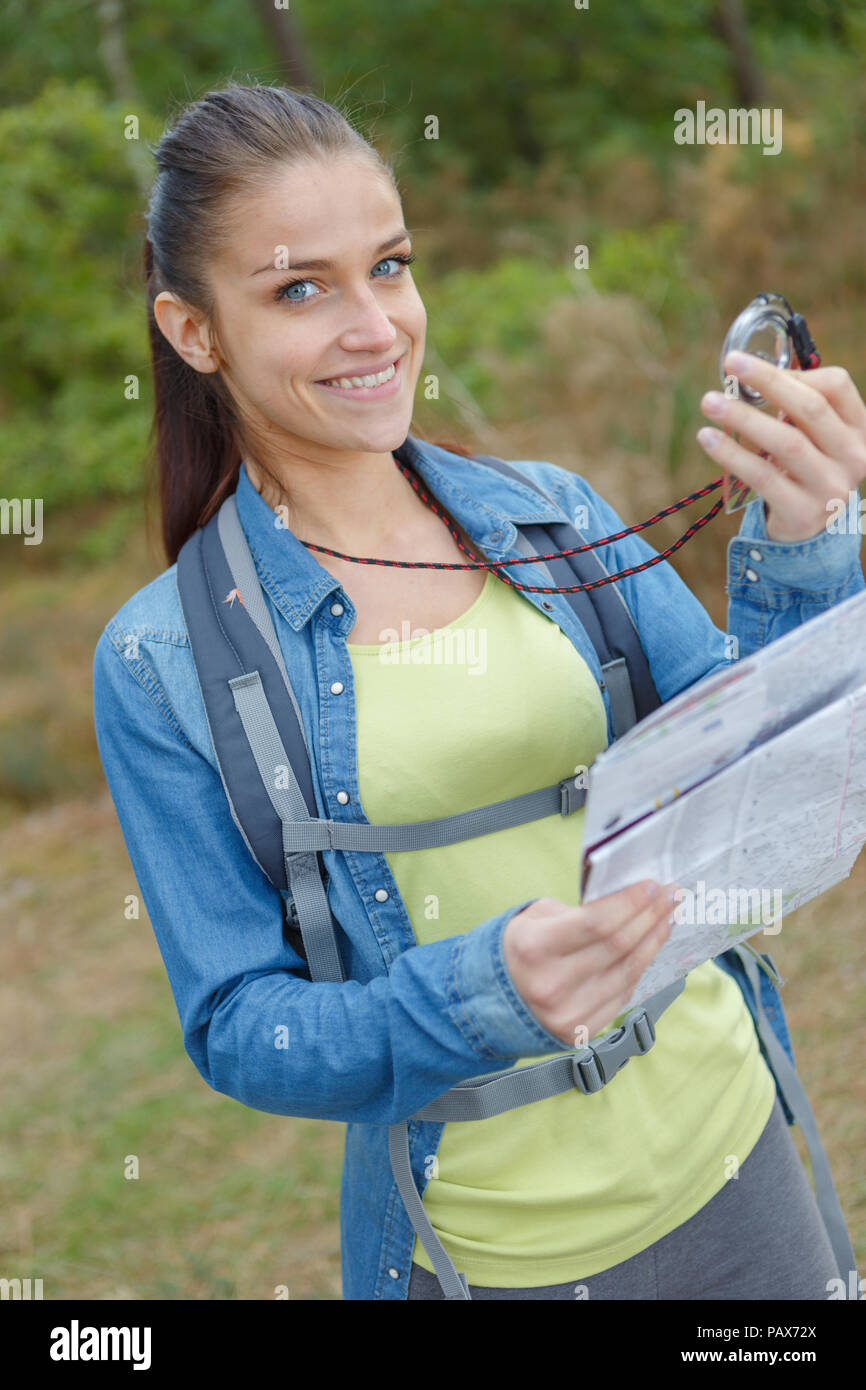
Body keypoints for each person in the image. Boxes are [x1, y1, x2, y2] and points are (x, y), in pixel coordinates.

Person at [92, 80, 866, 1301]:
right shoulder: (163, 661)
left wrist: (805, 532)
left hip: (739, 1155)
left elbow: (774, 769)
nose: (374, 327)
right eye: (301, 287)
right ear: (193, 332)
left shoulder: (551, 507)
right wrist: (477, 996)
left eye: (388, 267)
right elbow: (240, 1025)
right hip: (505, 1257)